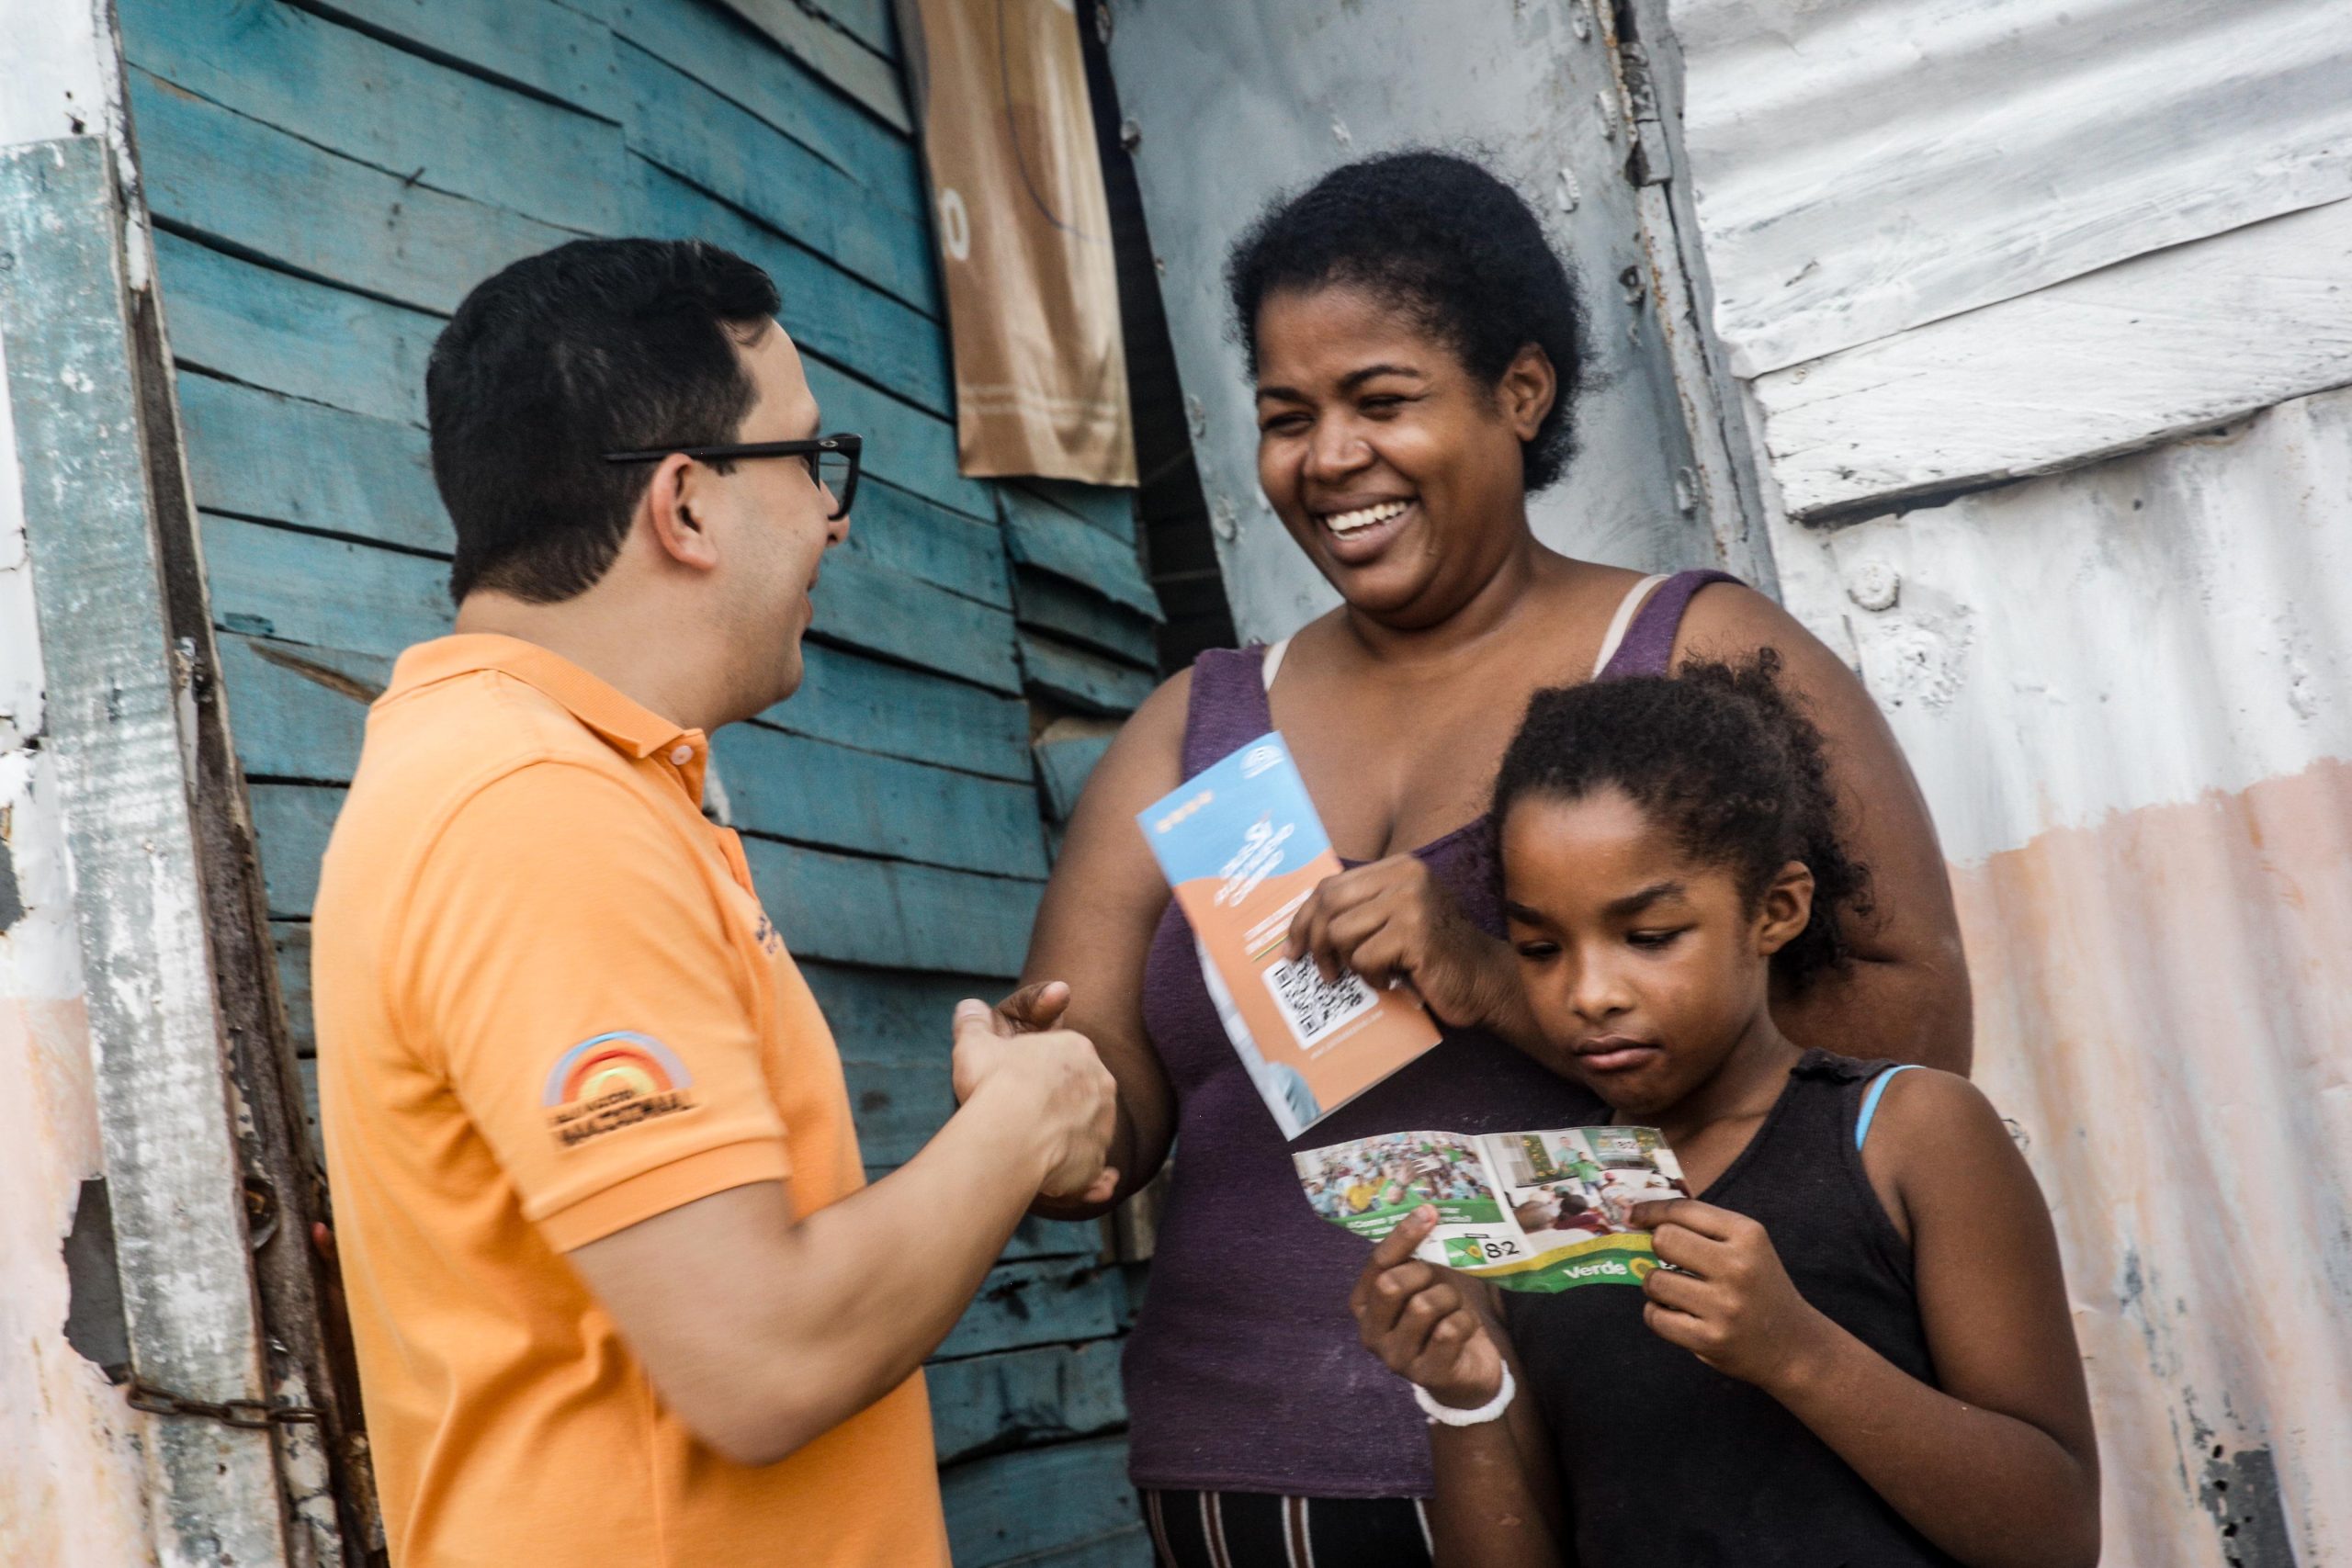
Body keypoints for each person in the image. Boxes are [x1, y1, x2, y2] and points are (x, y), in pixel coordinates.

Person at [1018, 150, 1973, 1561]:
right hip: (1248, 1462)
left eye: (1381, 399)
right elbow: (1103, 1111)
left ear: (1519, 393)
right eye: (1287, 416)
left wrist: (1491, 974)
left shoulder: (1695, 658)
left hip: (1631, 1458)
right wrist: (1036, 1106)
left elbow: (1900, 1050)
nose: (1328, 456)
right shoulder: (1192, 729)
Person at [310, 239, 1118, 1568]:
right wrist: (1025, 1127)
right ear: (684, 506)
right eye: (810, 460)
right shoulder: (534, 813)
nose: (832, 516)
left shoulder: (570, 780)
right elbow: (763, 1356)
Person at [1351, 660, 2098, 1567]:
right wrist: (1464, 1400)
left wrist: (1795, 1354)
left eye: (1649, 938)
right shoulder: (1531, 1210)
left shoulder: (1909, 1134)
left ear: (1774, 910)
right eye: (1539, 948)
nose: (1588, 993)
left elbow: (2052, 1533)